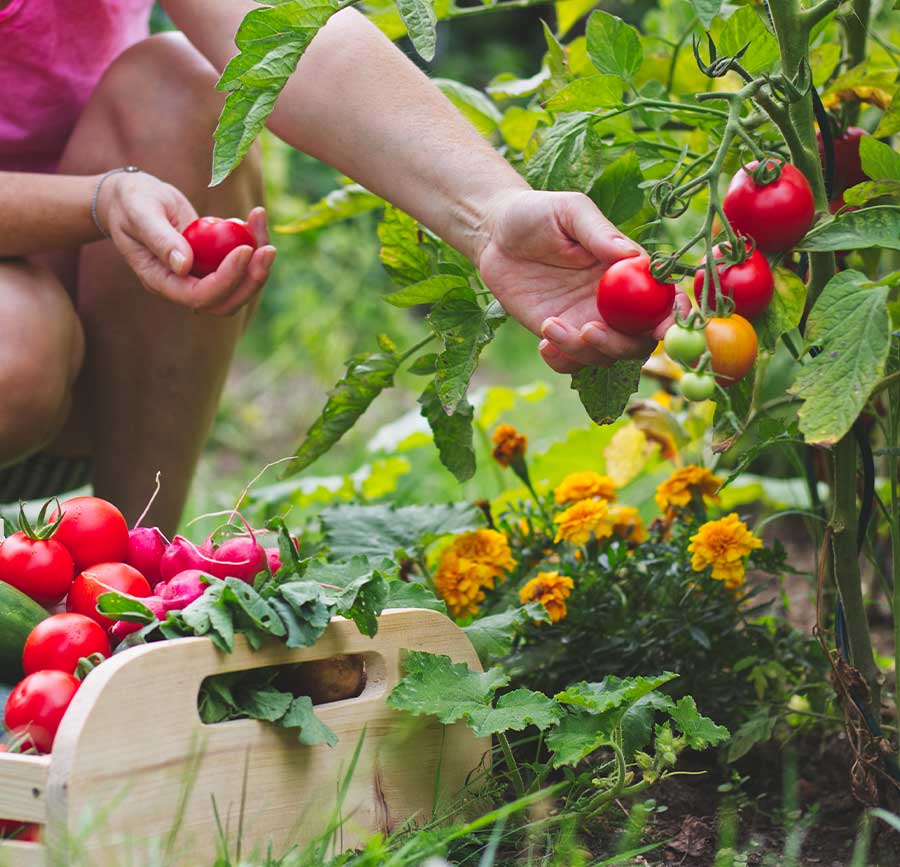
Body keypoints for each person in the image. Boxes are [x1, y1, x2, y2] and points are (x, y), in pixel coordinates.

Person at [0, 0, 683, 534]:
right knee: (14, 353)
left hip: (71, 327)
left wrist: (493, 212)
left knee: (179, 88)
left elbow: (296, 42)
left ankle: (128, 583)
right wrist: (99, 199)